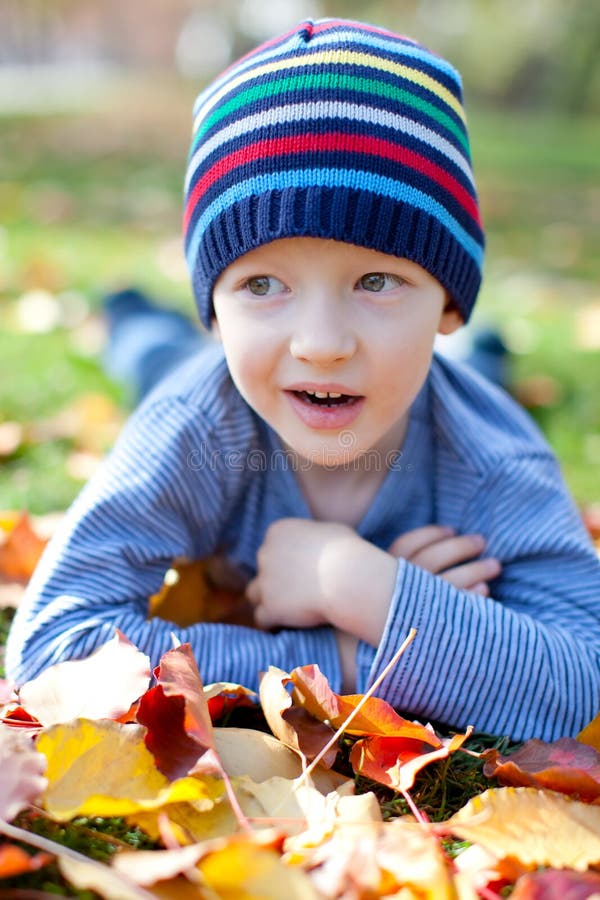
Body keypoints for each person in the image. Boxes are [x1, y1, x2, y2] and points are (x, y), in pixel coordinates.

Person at [7, 18, 599, 741]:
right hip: (199, 374)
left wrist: (351, 581)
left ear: (448, 302)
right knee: (152, 354)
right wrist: (339, 657)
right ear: (215, 311)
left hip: (427, 385)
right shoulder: (193, 426)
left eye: (376, 281)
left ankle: (482, 352)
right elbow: (54, 649)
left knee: (475, 381)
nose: (320, 345)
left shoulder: (494, 457)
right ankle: (133, 314)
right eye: (261, 284)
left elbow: (582, 683)